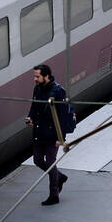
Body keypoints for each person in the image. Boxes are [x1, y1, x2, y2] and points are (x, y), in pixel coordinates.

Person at [26, 64, 70, 206]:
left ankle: (54, 195)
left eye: (37, 76)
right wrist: (30, 118)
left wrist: (60, 138)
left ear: (46, 76)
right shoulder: (37, 89)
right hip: (39, 131)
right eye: (34, 76)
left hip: (52, 134)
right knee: (37, 160)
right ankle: (60, 177)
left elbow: (63, 116)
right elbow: (34, 107)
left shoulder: (58, 91)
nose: (35, 79)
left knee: (51, 163)